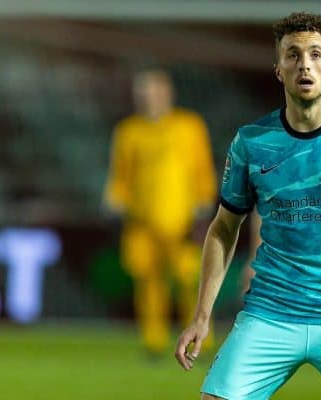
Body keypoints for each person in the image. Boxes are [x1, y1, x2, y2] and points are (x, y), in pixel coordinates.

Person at [175, 12, 321, 400]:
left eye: (316, 54)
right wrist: (202, 317)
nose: (305, 63)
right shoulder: (251, 143)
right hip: (271, 313)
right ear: (278, 70)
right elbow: (223, 228)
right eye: (293, 55)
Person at [104, 69, 217, 356]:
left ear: (168, 94)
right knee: (147, 281)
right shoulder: (128, 131)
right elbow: (121, 175)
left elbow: (203, 168)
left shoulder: (189, 126)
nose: (148, 99)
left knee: (190, 279)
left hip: (182, 220)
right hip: (141, 220)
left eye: (153, 92)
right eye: (142, 94)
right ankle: (153, 341)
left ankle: (200, 339)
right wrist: (114, 198)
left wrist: (205, 201)